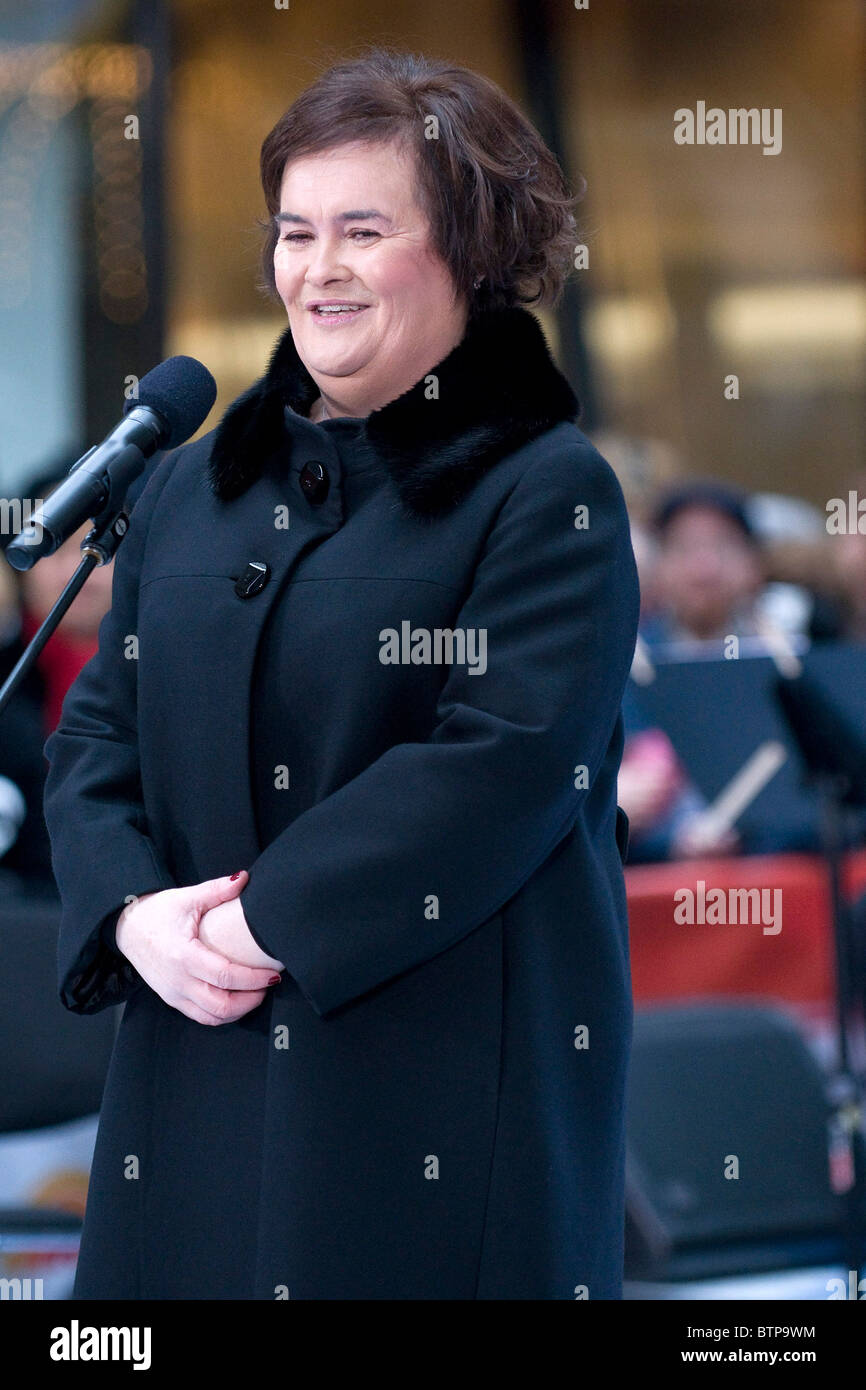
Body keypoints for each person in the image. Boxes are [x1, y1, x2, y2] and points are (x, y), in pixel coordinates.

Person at [43, 47, 639, 1300]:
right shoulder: (183, 488)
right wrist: (136, 916)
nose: (317, 268)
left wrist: (259, 921)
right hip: (187, 1085)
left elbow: (502, 760)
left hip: (426, 1103)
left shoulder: (541, 489)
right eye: (295, 230)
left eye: (362, 229)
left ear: (471, 250)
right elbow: (98, 736)